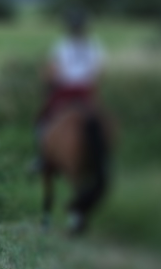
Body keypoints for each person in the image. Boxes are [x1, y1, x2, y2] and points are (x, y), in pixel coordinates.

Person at [30, 11, 105, 171]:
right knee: (99, 121)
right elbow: (98, 71)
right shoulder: (94, 45)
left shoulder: (62, 45)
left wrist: (49, 81)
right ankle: (104, 158)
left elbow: (54, 70)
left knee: (43, 119)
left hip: (64, 91)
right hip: (86, 91)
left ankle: (44, 158)